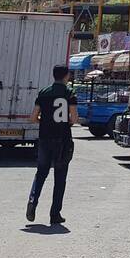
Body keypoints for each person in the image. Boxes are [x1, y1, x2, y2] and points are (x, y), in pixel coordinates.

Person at [26, 64, 77, 226]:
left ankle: (32, 202)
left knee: (41, 173)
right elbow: (74, 118)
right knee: (60, 177)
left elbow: (33, 117)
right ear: (66, 76)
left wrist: (44, 120)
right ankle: (55, 214)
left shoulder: (44, 92)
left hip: (45, 137)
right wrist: (66, 122)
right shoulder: (69, 93)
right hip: (62, 139)